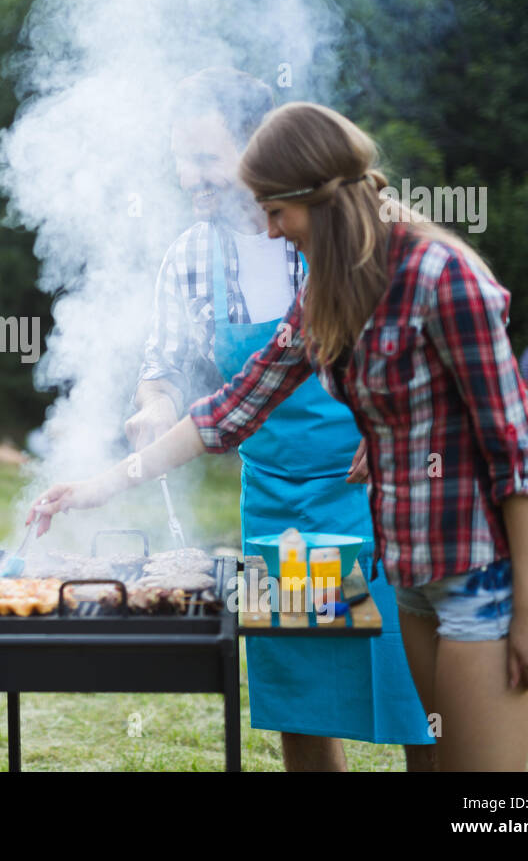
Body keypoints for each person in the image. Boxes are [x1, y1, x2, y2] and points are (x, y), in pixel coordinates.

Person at [30, 101, 528, 772]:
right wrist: (101, 485)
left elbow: (518, 449)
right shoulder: (326, 292)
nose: (272, 232)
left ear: (320, 197)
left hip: (482, 571)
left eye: (278, 213)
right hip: (411, 571)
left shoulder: (440, 275)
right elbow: (232, 407)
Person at [125, 68, 434, 771]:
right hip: (277, 503)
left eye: (205, 156)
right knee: (300, 690)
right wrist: (152, 409)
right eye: (179, 158)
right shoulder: (189, 256)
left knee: (416, 692)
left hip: (374, 491)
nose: (188, 175)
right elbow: (168, 367)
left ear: (258, 149)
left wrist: (390, 430)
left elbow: (423, 348)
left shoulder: (343, 236)